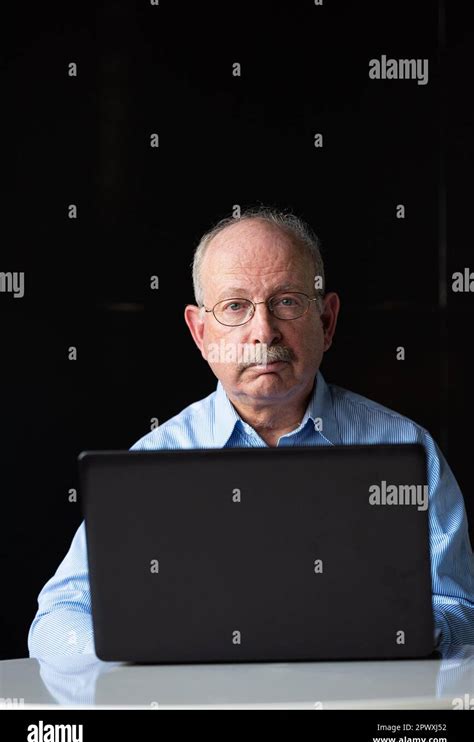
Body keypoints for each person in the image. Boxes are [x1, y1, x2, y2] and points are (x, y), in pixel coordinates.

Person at [28, 207, 474, 657]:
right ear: (200, 333)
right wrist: (146, 654)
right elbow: (56, 619)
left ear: (326, 321)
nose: (263, 332)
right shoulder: (152, 460)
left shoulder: (408, 451)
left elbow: (462, 611)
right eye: (235, 306)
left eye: (286, 301)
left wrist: (389, 630)